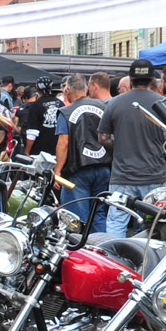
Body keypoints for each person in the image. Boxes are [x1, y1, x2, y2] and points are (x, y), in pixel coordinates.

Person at [98, 59, 166, 236]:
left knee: (116, 222)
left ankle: (114, 261)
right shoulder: (164, 103)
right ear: (152, 80)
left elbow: (103, 137)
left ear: (131, 79)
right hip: (154, 175)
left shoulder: (114, 103)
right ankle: (148, 261)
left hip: (122, 176)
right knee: (154, 226)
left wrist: (119, 146)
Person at [55, 73, 110, 229]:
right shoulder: (103, 107)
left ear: (67, 91)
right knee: (99, 213)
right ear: (86, 89)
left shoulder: (66, 112)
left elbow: (63, 142)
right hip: (104, 167)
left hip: (77, 170)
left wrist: (58, 170)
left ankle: (79, 249)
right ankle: (101, 248)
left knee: (76, 218)